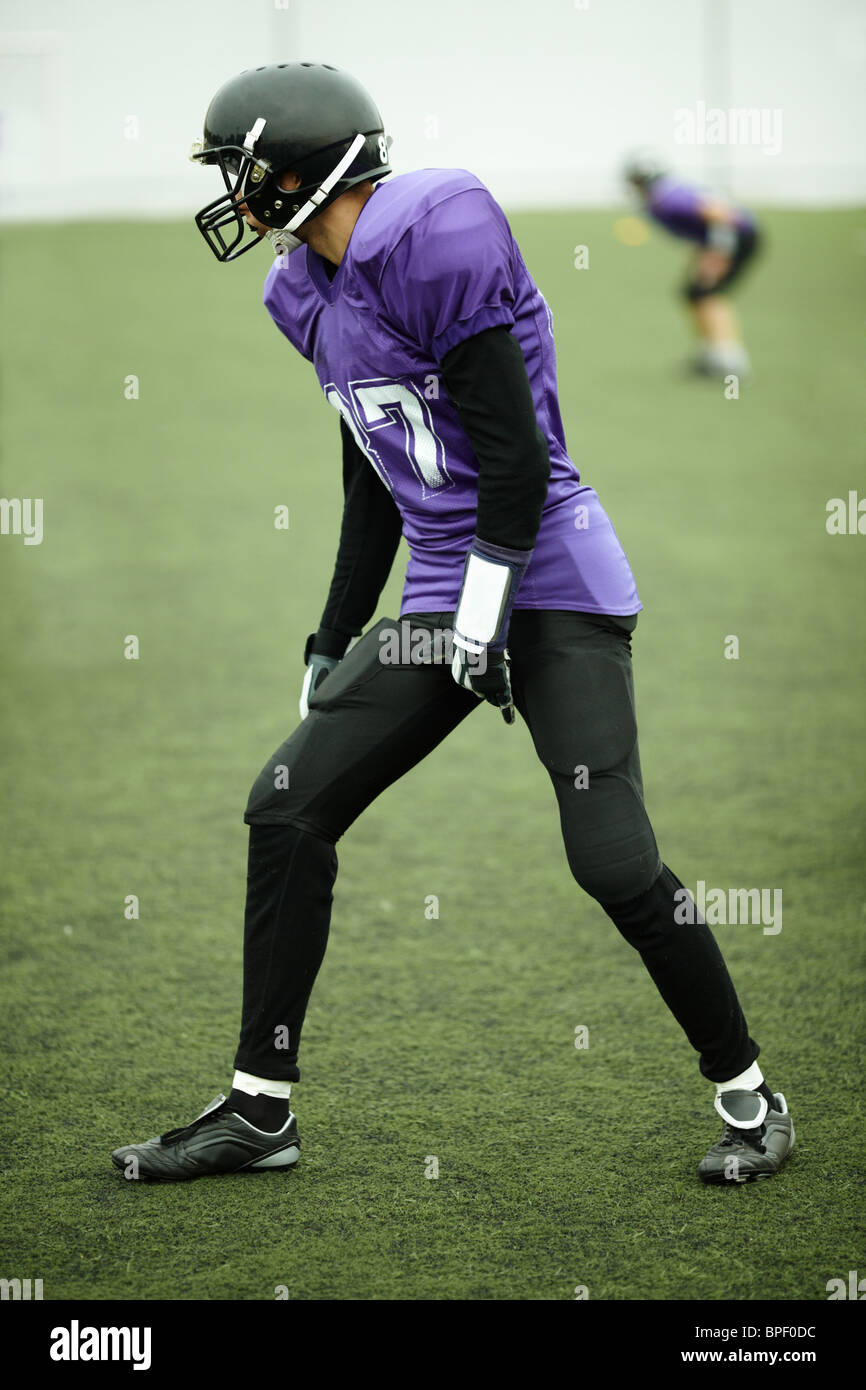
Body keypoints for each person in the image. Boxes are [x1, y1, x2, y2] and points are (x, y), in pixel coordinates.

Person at [111, 64, 793, 1186]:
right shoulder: (303, 290)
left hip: (551, 576)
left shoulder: (435, 232)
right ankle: (258, 1109)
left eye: (242, 170)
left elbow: (514, 464)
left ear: (301, 168)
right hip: (443, 589)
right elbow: (374, 470)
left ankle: (750, 1097)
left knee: (611, 858)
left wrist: (484, 615)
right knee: (285, 807)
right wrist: (333, 636)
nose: (233, 194)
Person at [624, 152, 761, 380]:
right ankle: (712, 352)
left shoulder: (668, 199)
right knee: (694, 293)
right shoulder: (664, 197)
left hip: (737, 238)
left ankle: (730, 359)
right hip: (724, 241)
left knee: (707, 293)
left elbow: (722, 217)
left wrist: (718, 254)